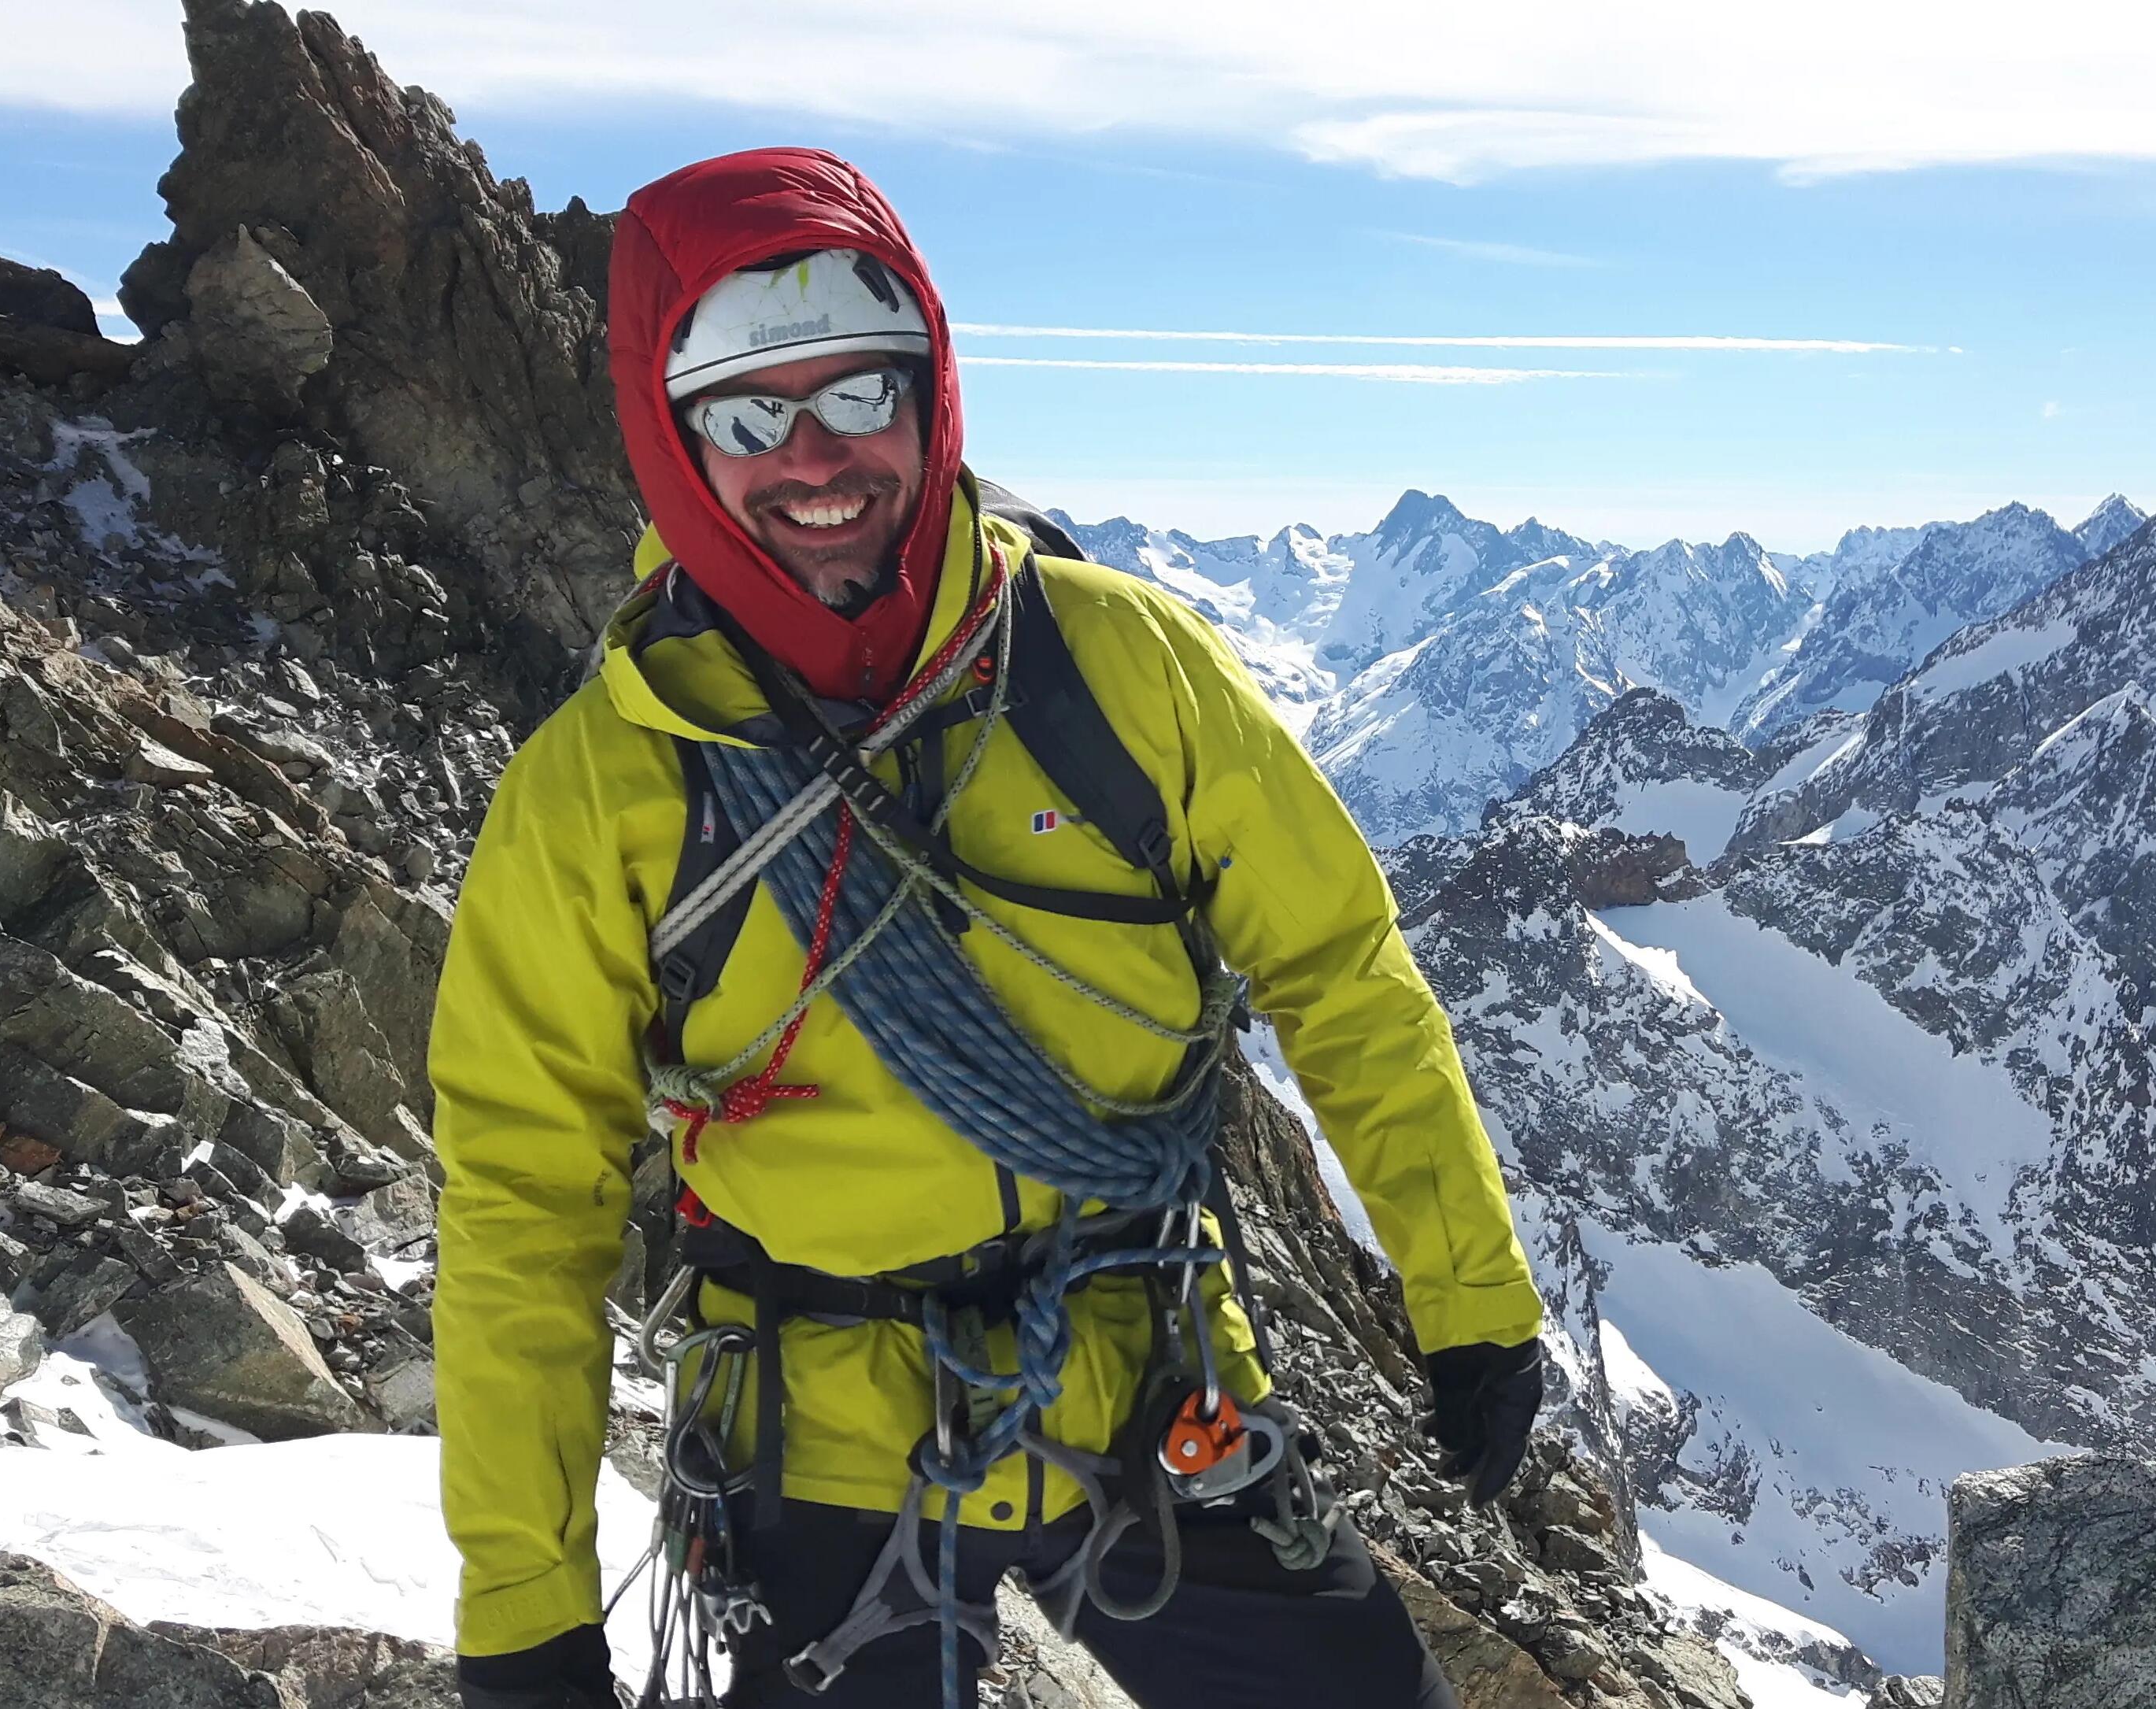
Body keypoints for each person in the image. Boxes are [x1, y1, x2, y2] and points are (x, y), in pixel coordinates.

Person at [428, 146, 1548, 1709]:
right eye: (750, 417)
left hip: (1152, 1376)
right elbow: (520, 1210)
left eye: (858, 397)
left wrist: (1471, 1304)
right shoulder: (602, 789)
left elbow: (1343, 978)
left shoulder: (1121, 667)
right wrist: (524, 1613)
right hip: (808, 1430)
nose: (814, 457)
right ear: (671, 441)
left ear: (931, 390)